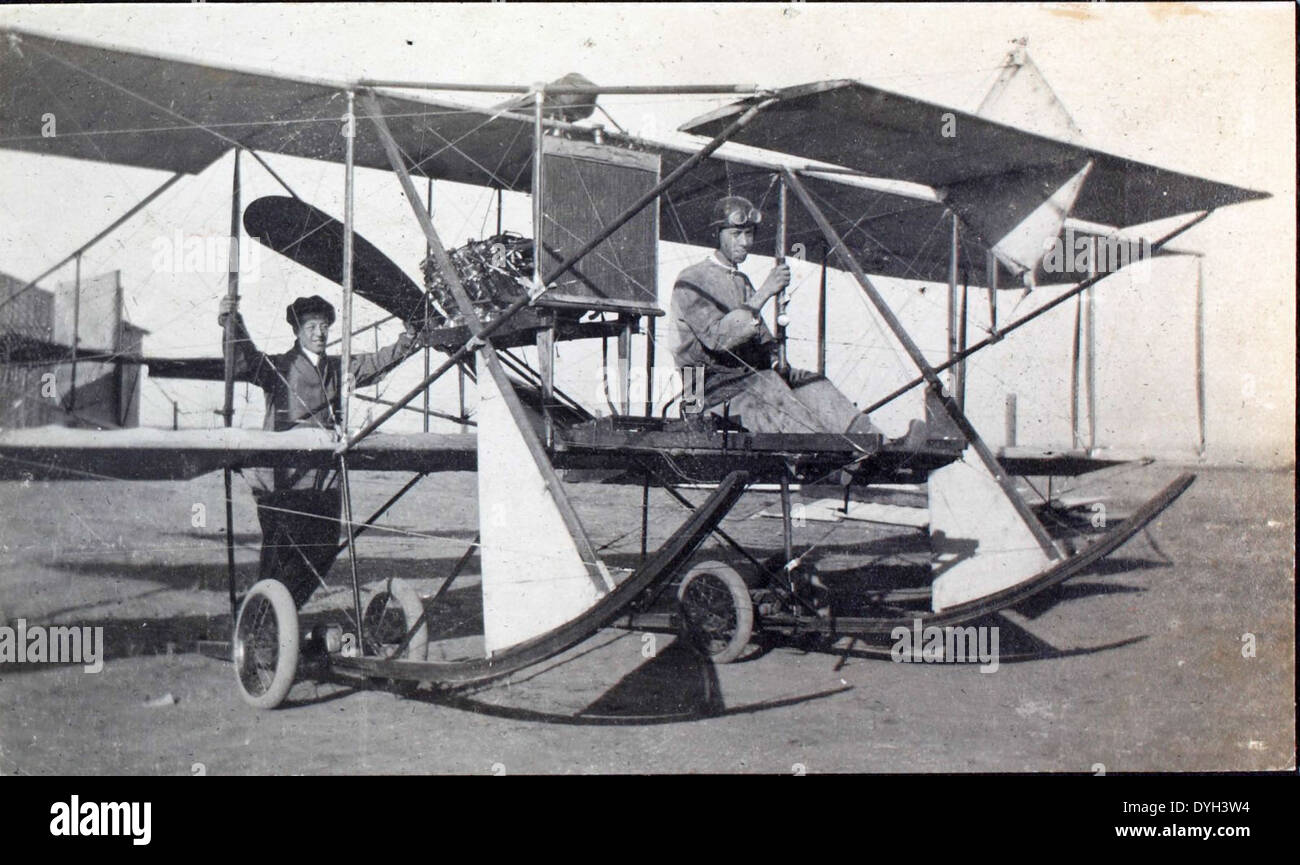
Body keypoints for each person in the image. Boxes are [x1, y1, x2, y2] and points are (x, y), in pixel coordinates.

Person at [218, 294, 422, 608]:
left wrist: (410, 337)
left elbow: (378, 361)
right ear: (297, 331)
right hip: (283, 481)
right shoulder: (279, 366)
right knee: (280, 558)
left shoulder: (338, 368)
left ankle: (275, 614)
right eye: (311, 326)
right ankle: (262, 621)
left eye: (324, 325)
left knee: (324, 551)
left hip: (325, 480)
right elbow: (245, 361)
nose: (320, 332)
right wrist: (233, 322)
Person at [670, 195, 880, 435]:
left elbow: (761, 339)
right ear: (716, 234)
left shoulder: (742, 282)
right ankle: (825, 455)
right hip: (712, 390)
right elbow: (718, 339)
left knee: (811, 382)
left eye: (749, 234)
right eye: (736, 235)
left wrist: (777, 361)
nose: (746, 242)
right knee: (774, 392)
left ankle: (875, 440)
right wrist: (765, 292)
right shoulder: (692, 280)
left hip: (750, 380)